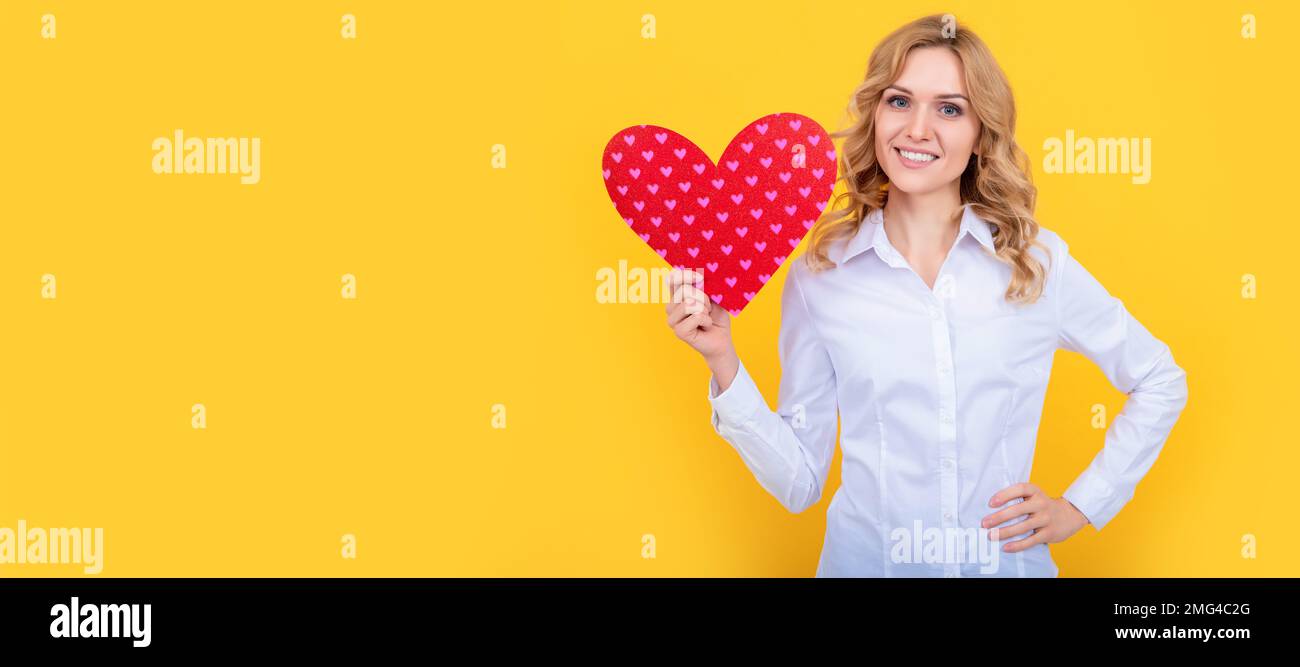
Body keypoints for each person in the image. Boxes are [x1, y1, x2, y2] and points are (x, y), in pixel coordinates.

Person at [663, 14, 1189, 577]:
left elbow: (1159, 378)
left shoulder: (1036, 264)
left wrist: (1082, 506)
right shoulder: (821, 278)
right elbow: (799, 484)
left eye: (949, 108)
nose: (917, 129)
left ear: (981, 133)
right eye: (899, 101)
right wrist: (723, 362)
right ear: (874, 115)